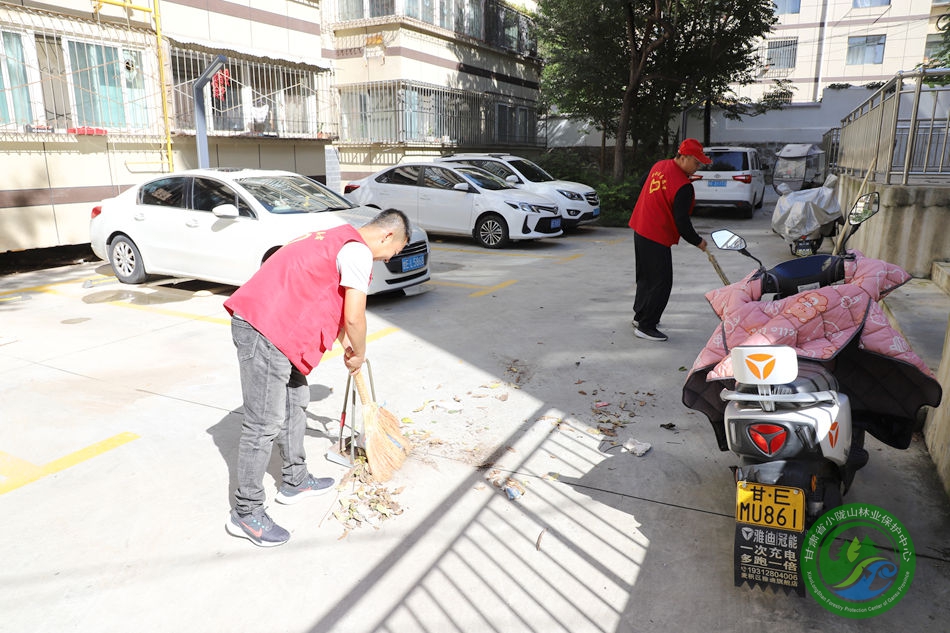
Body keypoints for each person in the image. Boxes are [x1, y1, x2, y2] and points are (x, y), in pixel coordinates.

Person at [222, 209, 410, 547]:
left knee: (297, 401)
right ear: (387, 236)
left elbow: (330, 303)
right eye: (394, 252)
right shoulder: (357, 252)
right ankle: (246, 512)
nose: (388, 258)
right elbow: (354, 316)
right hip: (265, 329)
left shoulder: (337, 238)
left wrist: (346, 348)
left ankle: (295, 479)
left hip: (282, 329)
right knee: (263, 423)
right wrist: (360, 350)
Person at [628, 138, 710, 342]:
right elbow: (682, 222)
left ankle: (640, 316)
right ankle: (647, 326)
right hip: (657, 234)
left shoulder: (659, 165)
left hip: (640, 226)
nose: (697, 167)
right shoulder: (683, 186)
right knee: (662, 282)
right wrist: (698, 241)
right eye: (696, 162)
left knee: (645, 276)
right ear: (684, 157)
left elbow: (642, 182)